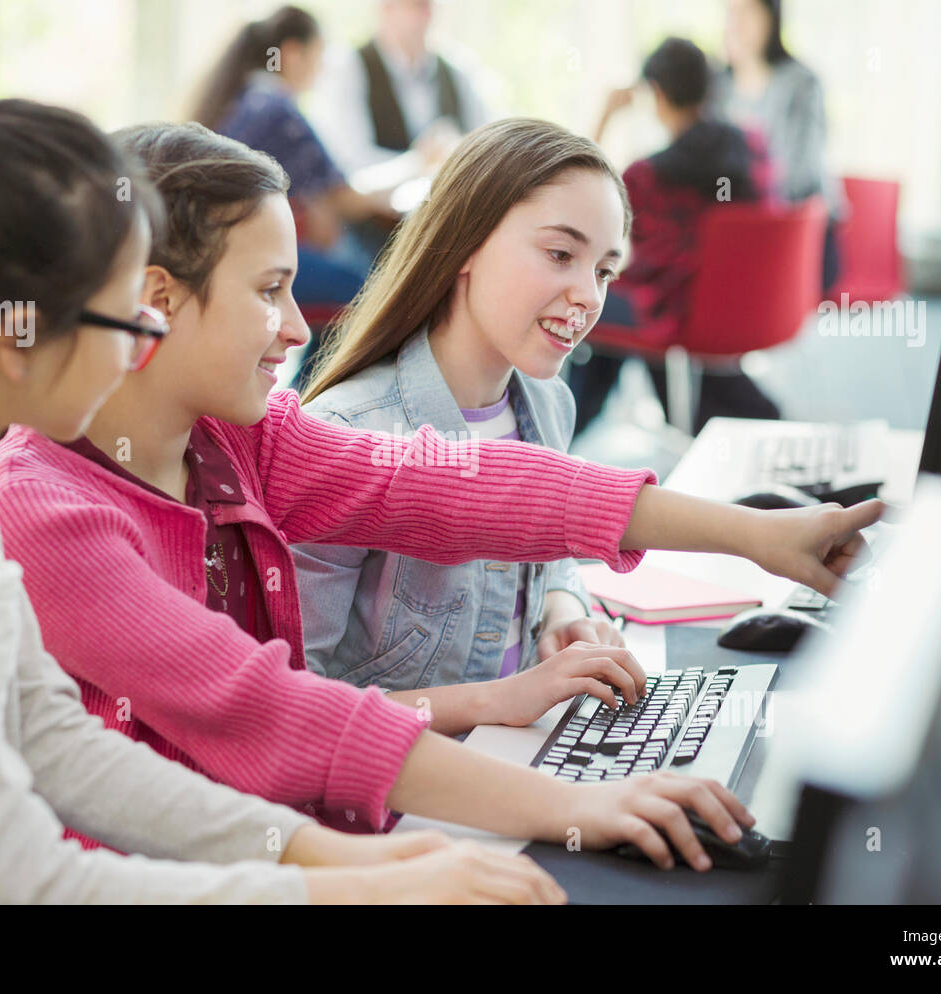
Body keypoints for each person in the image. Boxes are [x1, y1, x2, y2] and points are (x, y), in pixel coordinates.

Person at [0, 120, 881, 872]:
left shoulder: (238, 438)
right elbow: (275, 710)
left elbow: (459, 486)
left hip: (305, 846)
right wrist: (581, 803)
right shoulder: (48, 512)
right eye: (271, 291)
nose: (299, 329)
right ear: (158, 303)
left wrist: (759, 536)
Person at [0, 78, 567, 905]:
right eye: (124, 319)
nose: (136, 350)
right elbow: (23, 878)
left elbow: (57, 744)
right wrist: (347, 889)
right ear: (15, 337)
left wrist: (347, 861)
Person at [292, 120, 634, 722]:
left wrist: (561, 606)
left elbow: (546, 548)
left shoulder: (548, 404)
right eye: (561, 255)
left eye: (604, 270)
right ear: (467, 241)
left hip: (519, 752)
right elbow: (297, 709)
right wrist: (498, 701)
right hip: (404, 799)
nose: (589, 295)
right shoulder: (346, 431)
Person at [573, 37, 778, 437]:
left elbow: (578, 200)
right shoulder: (753, 147)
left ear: (657, 94)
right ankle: (684, 414)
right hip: (746, 304)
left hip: (679, 312)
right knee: (621, 302)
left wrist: (605, 116)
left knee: (587, 300)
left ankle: (562, 429)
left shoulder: (648, 175)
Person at [193, 5, 396, 272]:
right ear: (292, 53)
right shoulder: (279, 111)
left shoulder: (247, 99)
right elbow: (346, 200)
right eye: (319, 54)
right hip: (248, 255)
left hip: (223, 249)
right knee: (366, 282)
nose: (321, 68)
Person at [710, 0, 844, 289]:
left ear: (771, 18)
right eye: (730, 13)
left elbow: (800, 172)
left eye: (747, 12)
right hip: (740, 231)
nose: (736, 23)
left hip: (800, 235)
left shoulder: (802, 83)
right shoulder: (718, 85)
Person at [308, 0, 490, 177]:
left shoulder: (459, 70)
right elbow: (350, 161)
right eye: (418, 5)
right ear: (386, 8)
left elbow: (487, 144)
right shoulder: (348, 68)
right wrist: (417, 163)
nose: (429, 13)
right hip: (376, 206)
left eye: (435, 4)